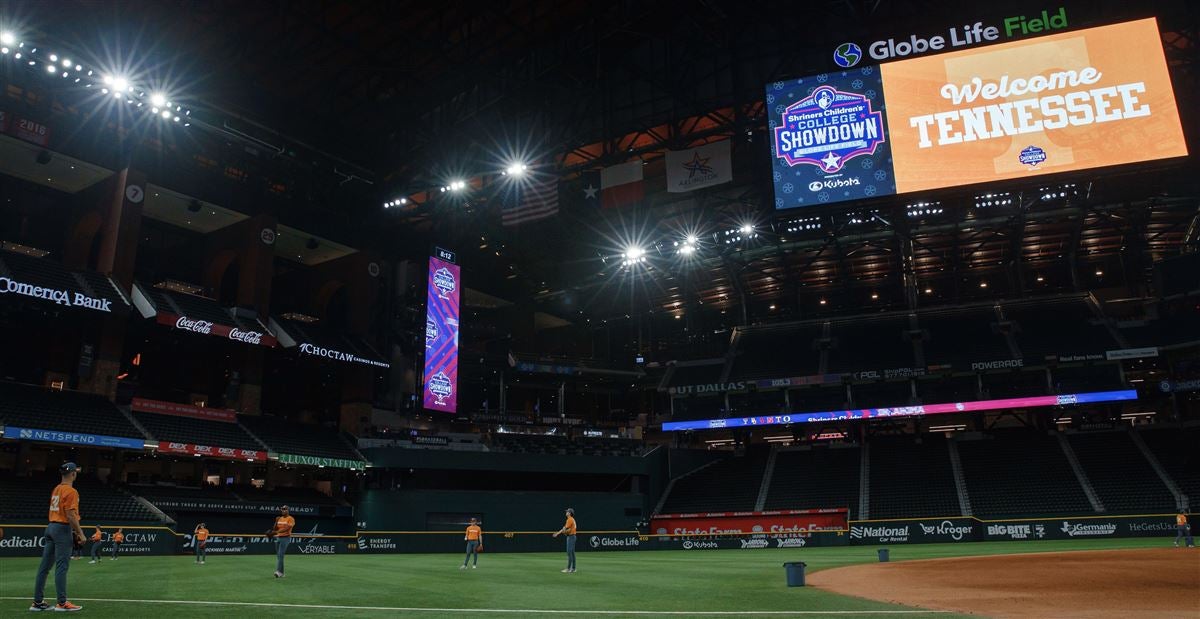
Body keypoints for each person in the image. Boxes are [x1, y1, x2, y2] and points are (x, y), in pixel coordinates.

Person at [30, 462, 86, 612]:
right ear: (73, 474)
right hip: (62, 529)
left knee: (44, 567)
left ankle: (37, 602)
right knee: (62, 567)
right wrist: (80, 533)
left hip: (50, 527)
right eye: (76, 472)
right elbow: (70, 515)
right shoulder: (71, 491)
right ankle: (62, 603)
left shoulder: (57, 488)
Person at [551, 507, 577, 573]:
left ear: (570, 513)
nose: (566, 512)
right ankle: (573, 568)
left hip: (571, 537)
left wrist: (557, 533)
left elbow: (564, 529)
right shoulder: (571, 519)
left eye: (567, 511)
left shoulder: (570, 519)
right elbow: (566, 529)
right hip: (573, 536)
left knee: (569, 553)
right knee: (572, 553)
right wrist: (563, 531)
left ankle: (568, 568)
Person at [271, 505, 295, 578]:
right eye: (282, 509)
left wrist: (276, 532)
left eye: (285, 509)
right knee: (279, 556)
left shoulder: (291, 519)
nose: (283, 510)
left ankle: (278, 571)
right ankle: (282, 573)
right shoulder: (280, 518)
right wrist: (276, 521)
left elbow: (287, 528)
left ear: (288, 510)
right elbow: (274, 528)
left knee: (281, 555)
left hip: (285, 538)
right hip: (278, 538)